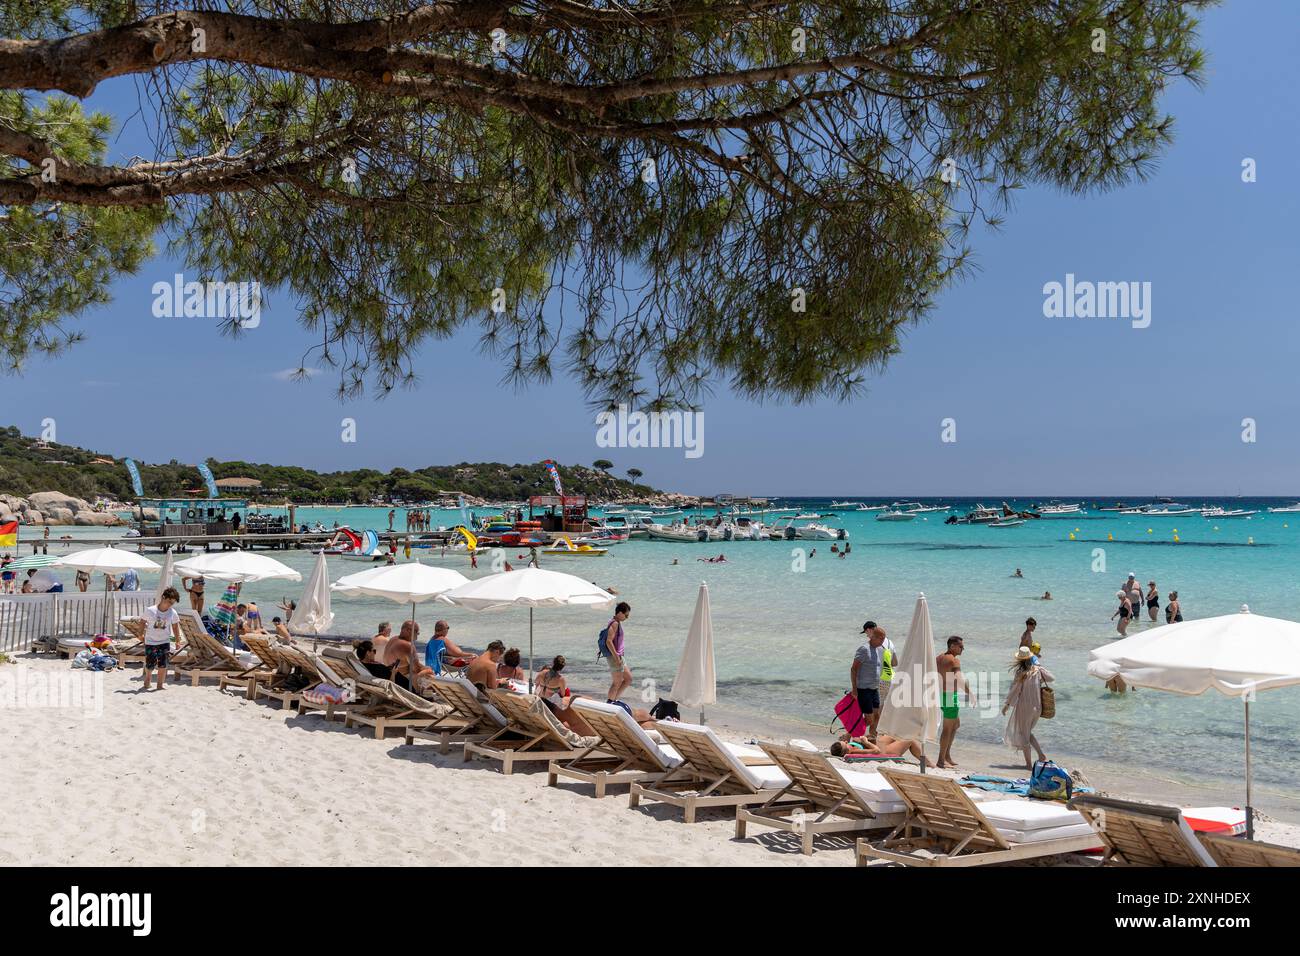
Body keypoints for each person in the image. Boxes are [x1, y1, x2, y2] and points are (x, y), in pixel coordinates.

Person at [1002, 645, 1054, 771]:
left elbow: (1014, 690)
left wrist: (1007, 705)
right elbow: (1052, 678)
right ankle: (1041, 755)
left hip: (1025, 707)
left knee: (1023, 734)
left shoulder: (1021, 673)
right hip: (1038, 707)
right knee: (1026, 732)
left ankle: (1029, 765)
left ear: (1020, 660)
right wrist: (1040, 667)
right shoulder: (1038, 670)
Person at [936, 635, 974, 769]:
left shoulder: (939, 658)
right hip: (950, 696)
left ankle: (947, 755)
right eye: (961, 646)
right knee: (947, 729)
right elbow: (960, 679)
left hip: (940, 695)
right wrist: (971, 694)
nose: (963, 649)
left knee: (956, 724)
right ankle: (941, 760)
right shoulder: (954, 661)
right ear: (952, 646)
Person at [141, 587, 182, 691]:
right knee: (150, 663)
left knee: (163, 664)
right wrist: (140, 634)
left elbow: (175, 627)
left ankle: (160, 685)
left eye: (172, 603)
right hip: (150, 641)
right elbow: (142, 622)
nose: (169, 605)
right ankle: (148, 680)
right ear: (163, 597)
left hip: (164, 641)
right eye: (169, 601)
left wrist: (178, 640)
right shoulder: (150, 610)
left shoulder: (172, 613)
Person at [851, 623, 887, 740]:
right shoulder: (864, 649)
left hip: (874, 689)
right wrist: (854, 689)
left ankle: (871, 738)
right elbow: (854, 669)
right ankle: (849, 733)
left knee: (877, 716)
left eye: (884, 638)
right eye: (881, 638)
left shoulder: (877, 649)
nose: (883, 641)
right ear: (874, 637)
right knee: (869, 719)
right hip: (864, 689)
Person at [603, 601, 633, 703]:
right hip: (614, 656)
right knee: (617, 682)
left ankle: (614, 700)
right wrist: (616, 657)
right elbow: (608, 641)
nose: (627, 617)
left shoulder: (617, 623)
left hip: (619, 656)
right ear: (620, 613)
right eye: (626, 615)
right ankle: (610, 702)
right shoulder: (614, 623)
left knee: (628, 678)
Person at [382, 620, 419, 689]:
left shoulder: (393, 639)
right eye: (417, 632)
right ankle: (420, 695)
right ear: (409, 630)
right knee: (428, 673)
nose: (417, 635)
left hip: (386, 677)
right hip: (398, 682)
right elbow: (417, 669)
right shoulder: (407, 645)